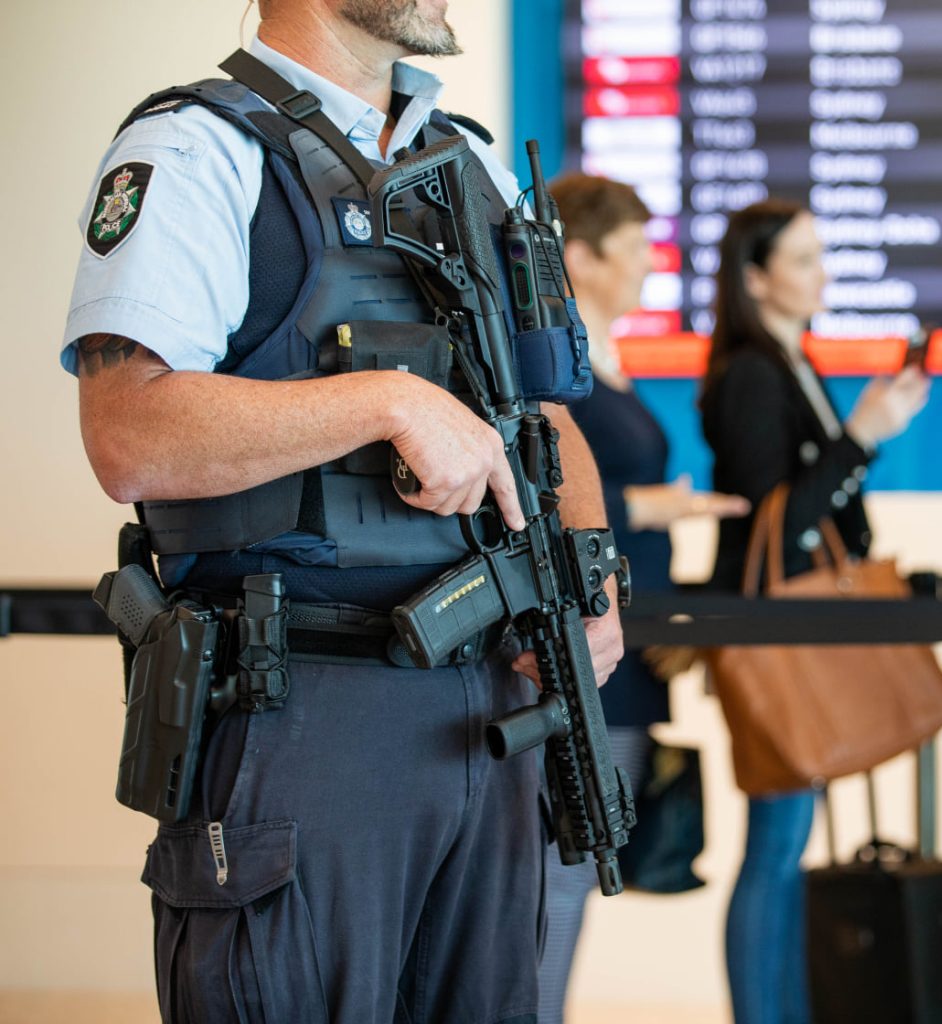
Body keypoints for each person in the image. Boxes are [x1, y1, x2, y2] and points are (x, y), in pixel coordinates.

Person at [62, 2, 623, 1021]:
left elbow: (546, 411)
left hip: (488, 710)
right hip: (301, 707)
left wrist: (593, 575)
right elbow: (128, 437)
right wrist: (390, 401)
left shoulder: (474, 170)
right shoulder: (196, 150)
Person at [699, 198, 930, 1024]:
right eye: (800, 259)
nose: (819, 272)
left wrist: (864, 433)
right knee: (776, 847)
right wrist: (862, 437)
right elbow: (777, 515)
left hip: (799, 628)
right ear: (755, 279)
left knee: (787, 843)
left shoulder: (791, 360)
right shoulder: (754, 373)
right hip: (774, 631)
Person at [535, 172, 749, 1023]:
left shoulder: (600, 356)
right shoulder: (553, 361)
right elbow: (539, 491)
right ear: (580, 256)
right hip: (588, 656)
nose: (647, 271)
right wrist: (652, 507)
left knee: (577, 875)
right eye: (632, 253)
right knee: (555, 882)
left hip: (629, 649)